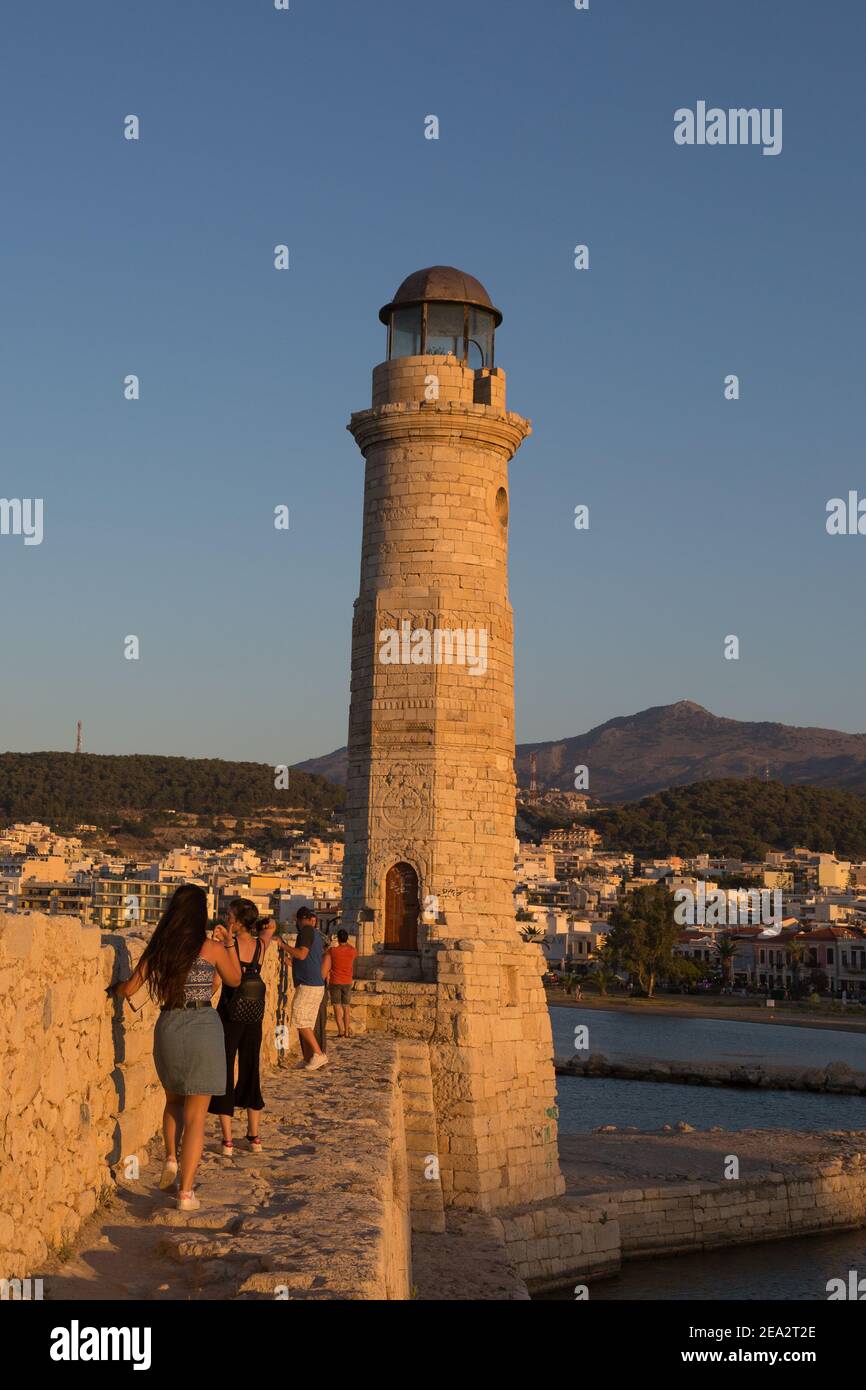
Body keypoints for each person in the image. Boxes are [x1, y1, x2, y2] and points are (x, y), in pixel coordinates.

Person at [109, 883, 241, 1211]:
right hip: (203, 1027)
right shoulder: (209, 948)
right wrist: (228, 944)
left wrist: (114, 987)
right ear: (201, 914)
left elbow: (129, 990)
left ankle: (170, 1157)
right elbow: (236, 979)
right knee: (197, 1117)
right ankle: (185, 1193)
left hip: (168, 1026)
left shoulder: (160, 950)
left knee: (173, 1101)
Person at [209, 898, 277, 1156]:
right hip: (253, 1016)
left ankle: (227, 1141)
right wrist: (260, 925)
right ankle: (254, 1136)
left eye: (230, 915)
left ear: (237, 921)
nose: (227, 918)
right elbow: (270, 927)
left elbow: (217, 981)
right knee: (251, 1068)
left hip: (229, 1013)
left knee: (224, 1070)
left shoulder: (229, 946)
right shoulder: (261, 944)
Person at [277, 906, 328, 1071]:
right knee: (307, 1023)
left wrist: (282, 945)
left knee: (299, 1018)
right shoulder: (315, 934)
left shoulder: (306, 931)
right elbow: (309, 959)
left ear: (299, 920)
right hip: (315, 984)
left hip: (309, 984)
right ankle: (308, 1058)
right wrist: (292, 964)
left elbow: (302, 954)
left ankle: (319, 1055)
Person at [327, 929, 357, 1037]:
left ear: (338, 939)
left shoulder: (333, 951)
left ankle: (340, 1031)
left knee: (336, 1006)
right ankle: (347, 1032)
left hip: (335, 981)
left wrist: (332, 942)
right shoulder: (352, 951)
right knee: (346, 1007)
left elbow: (326, 952)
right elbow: (351, 947)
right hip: (347, 981)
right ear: (347, 938)